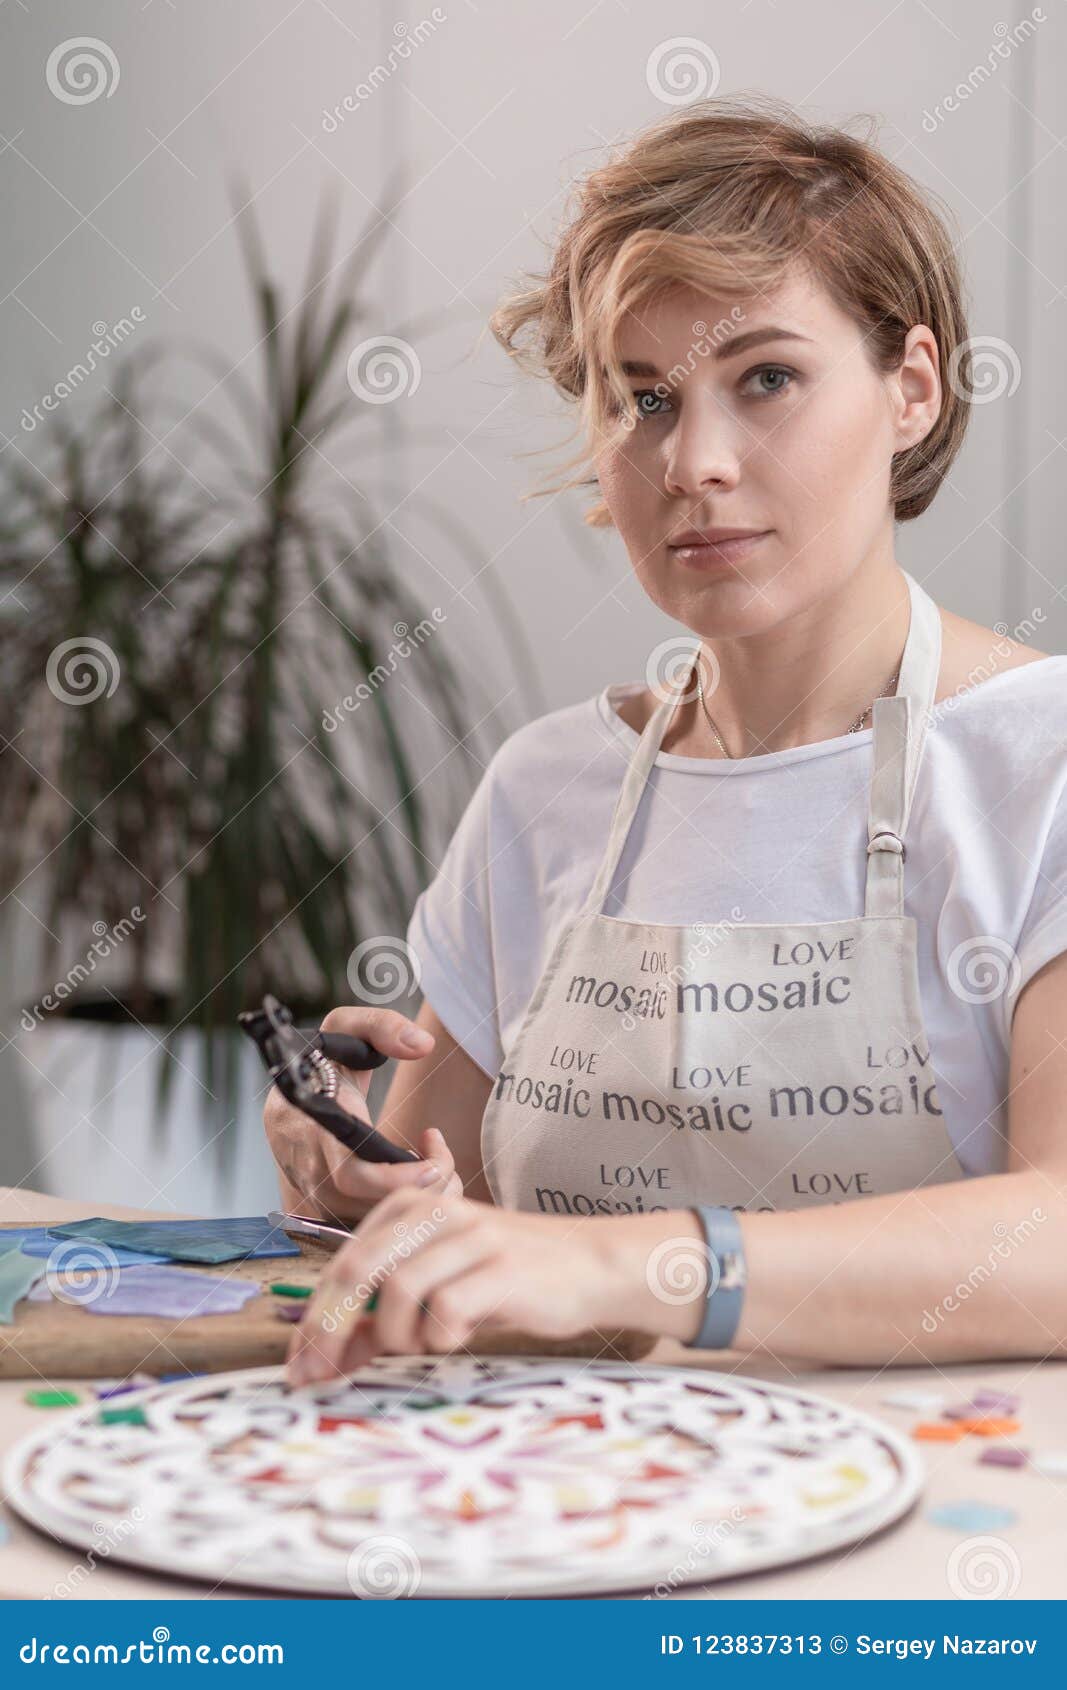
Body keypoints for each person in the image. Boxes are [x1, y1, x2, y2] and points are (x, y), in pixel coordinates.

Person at [269, 95, 1067, 1385]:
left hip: (924, 1542)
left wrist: (630, 1266)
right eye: (640, 399)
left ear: (912, 388)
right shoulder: (546, 791)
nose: (693, 460)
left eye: (767, 379)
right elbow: (426, 1221)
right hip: (572, 1510)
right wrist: (347, 1164)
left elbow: (1059, 1239)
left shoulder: (1045, 761)